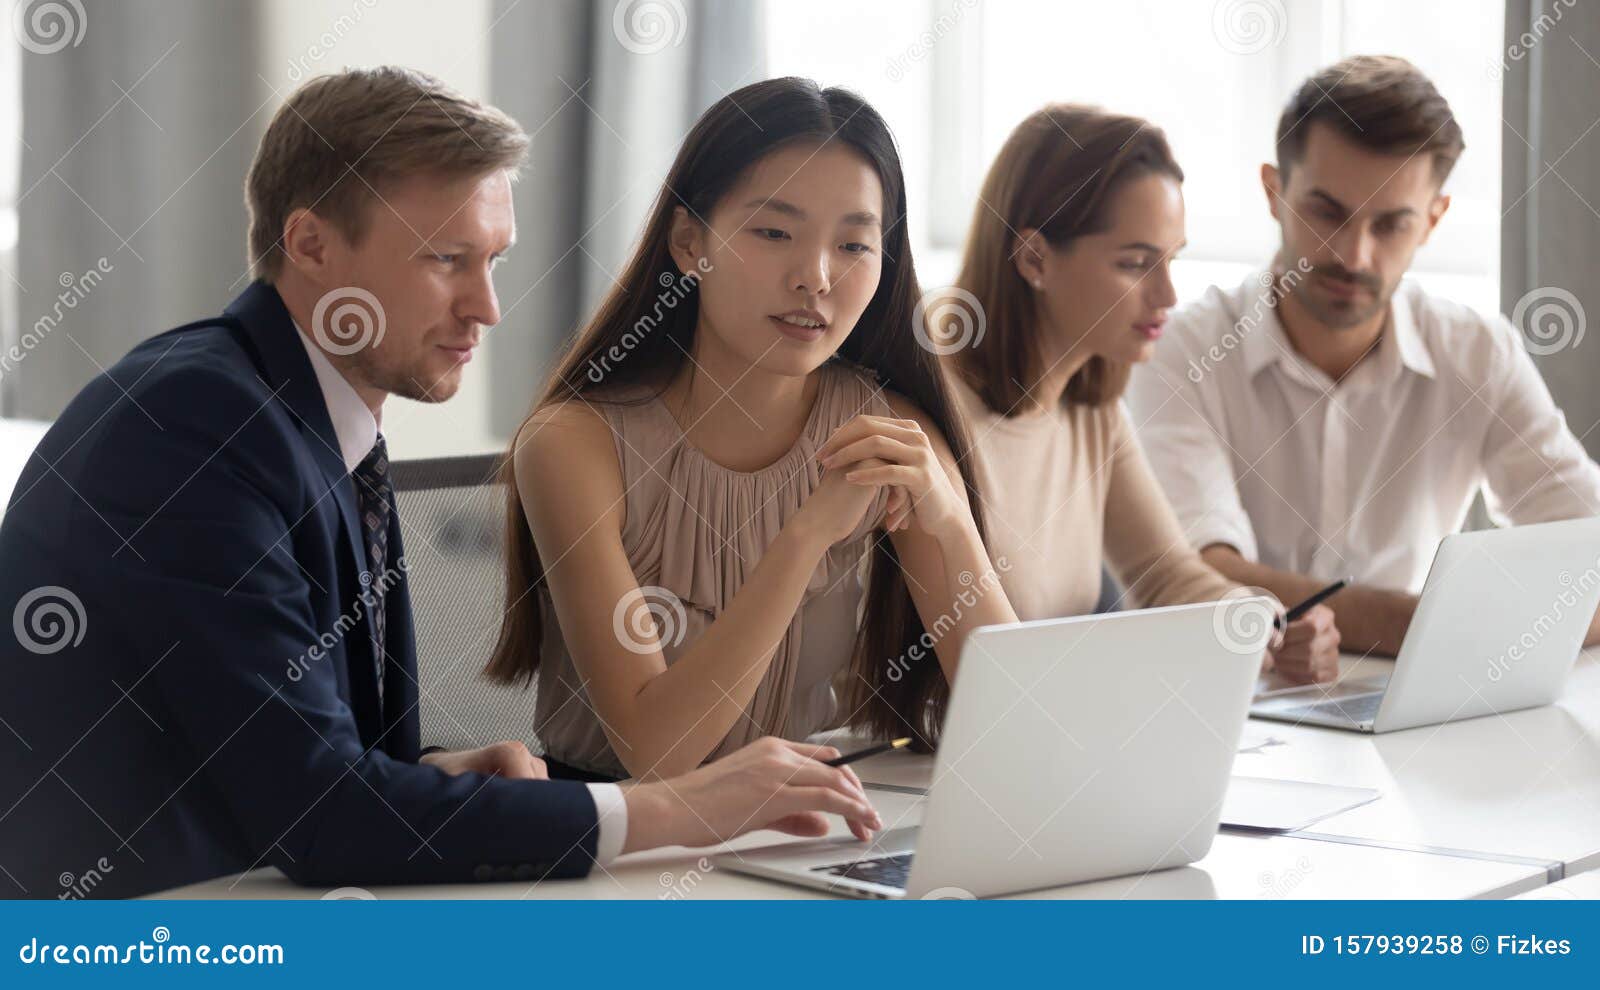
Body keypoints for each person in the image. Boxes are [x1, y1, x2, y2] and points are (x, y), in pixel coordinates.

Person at [0, 67, 880, 900]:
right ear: (310, 244)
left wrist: (427, 779)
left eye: (494, 259)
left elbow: (282, 757)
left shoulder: (303, 410)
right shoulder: (192, 427)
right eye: (446, 260)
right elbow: (315, 816)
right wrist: (680, 808)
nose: (487, 307)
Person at [484, 77, 1018, 782]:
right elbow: (657, 751)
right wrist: (803, 539)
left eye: (855, 245)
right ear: (688, 242)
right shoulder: (574, 444)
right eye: (773, 232)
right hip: (617, 842)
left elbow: (1021, 727)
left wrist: (949, 522)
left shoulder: (888, 429)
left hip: (806, 822)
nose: (816, 278)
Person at [1126, 55, 1600, 657]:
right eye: (1328, 212)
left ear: (1432, 220)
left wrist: (1444, 629)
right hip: (1228, 703)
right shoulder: (1179, 351)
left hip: (1414, 706)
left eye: (1392, 225)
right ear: (1274, 192)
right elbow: (1199, 579)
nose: (1354, 256)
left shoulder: (1478, 353)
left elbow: (1589, 554)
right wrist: (1446, 628)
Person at [940, 104, 1338, 682]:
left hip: (1048, 735)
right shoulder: (935, 408)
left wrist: (1260, 618)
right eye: (1135, 264)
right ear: (1034, 258)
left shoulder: (1090, 404)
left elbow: (1165, 574)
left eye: (1171, 260)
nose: (1168, 296)